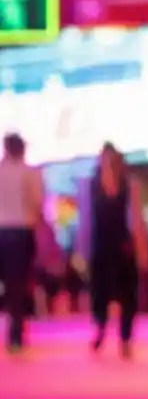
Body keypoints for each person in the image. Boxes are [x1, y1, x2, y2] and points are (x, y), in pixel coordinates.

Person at [86, 143, 148, 358]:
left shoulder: (129, 184)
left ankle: (125, 337)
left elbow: (136, 217)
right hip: (101, 244)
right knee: (100, 292)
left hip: (123, 245)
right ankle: (101, 328)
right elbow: (86, 218)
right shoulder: (92, 184)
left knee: (127, 293)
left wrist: (142, 250)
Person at [0, 133, 45, 354]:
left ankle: (15, 332)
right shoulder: (30, 173)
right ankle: (15, 334)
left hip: (3, 231)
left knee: (11, 286)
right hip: (20, 232)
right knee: (17, 286)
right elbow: (37, 202)